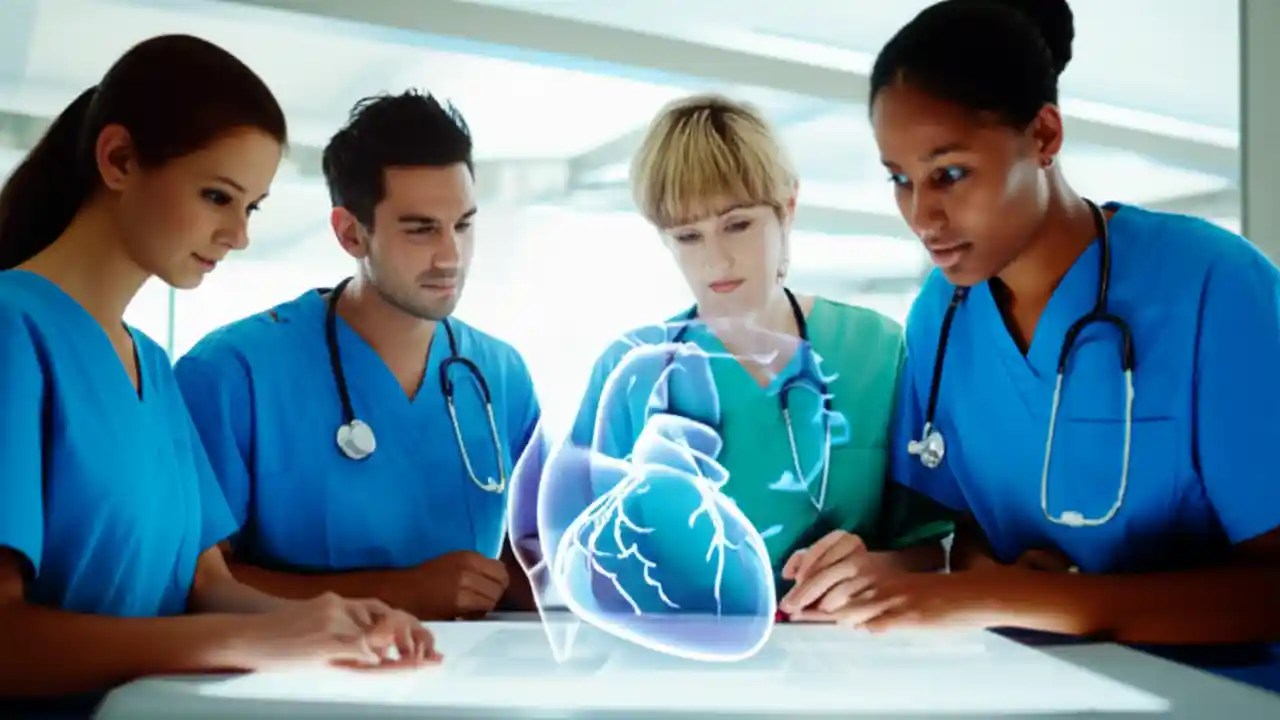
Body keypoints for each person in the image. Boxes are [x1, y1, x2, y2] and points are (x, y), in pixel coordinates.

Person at [784, 0, 1280, 689]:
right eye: (900, 179)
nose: (922, 216)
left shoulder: (1214, 286)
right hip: (1040, 688)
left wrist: (1018, 598)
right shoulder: (941, 313)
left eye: (950, 173)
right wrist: (891, 574)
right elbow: (962, 543)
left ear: (1044, 136)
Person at [0, 35, 436, 717]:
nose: (238, 235)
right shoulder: (11, 329)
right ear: (118, 159)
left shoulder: (153, 366)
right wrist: (249, 640)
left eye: (251, 207)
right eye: (216, 196)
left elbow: (205, 582)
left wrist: (338, 621)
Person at [522, 94, 953, 616]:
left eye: (738, 224)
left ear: (787, 207)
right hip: (681, 666)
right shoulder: (631, 371)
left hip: (840, 660)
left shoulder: (878, 353)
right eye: (688, 236)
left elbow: (931, 550)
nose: (717, 259)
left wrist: (874, 568)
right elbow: (574, 560)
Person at [174, 90, 541, 622]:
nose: (450, 256)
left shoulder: (501, 376)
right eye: (420, 229)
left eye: (462, 224)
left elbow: (530, 557)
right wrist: (401, 593)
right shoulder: (233, 374)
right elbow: (199, 582)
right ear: (351, 233)